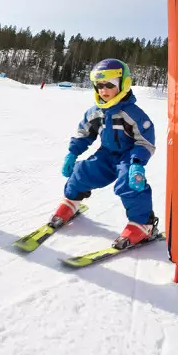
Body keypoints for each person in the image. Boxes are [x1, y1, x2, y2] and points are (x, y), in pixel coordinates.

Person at [52, 58, 158, 249]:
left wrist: (137, 162)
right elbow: (84, 133)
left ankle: (144, 224)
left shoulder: (133, 114)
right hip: (107, 154)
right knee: (82, 170)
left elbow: (146, 140)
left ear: (124, 84)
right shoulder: (96, 112)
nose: (103, 90)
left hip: (129, 156)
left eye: (109, 85)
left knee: (129, 182)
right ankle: (71, 202)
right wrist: (72, 153)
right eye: (99, 85)